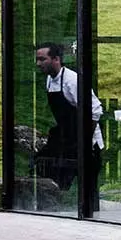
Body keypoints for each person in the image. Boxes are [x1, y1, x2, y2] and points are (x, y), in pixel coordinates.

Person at [34, 42, 101, 195]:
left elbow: (95, 109)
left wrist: (84, 139)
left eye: (43, 59)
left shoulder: (72, 80)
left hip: (84, 139)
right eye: (37, 60)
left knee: (88, 187)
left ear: (56, 59)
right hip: (67, 135)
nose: (38, 64)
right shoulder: (50, 79)